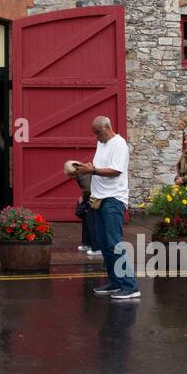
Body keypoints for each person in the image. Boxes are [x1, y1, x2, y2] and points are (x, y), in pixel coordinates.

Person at [75, 116, 137, 300]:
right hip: (99, 199)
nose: (96, 137)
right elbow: (100, 167)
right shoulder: (101, 144)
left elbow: (116, 170)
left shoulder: (119, 144)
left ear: (107, 127)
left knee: (115, 243)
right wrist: (88, 167)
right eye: (94, 133)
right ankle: (115, 282)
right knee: (103, 244)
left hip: (113, 199)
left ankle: (130, 286)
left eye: (98, 133)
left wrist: (92, 171)